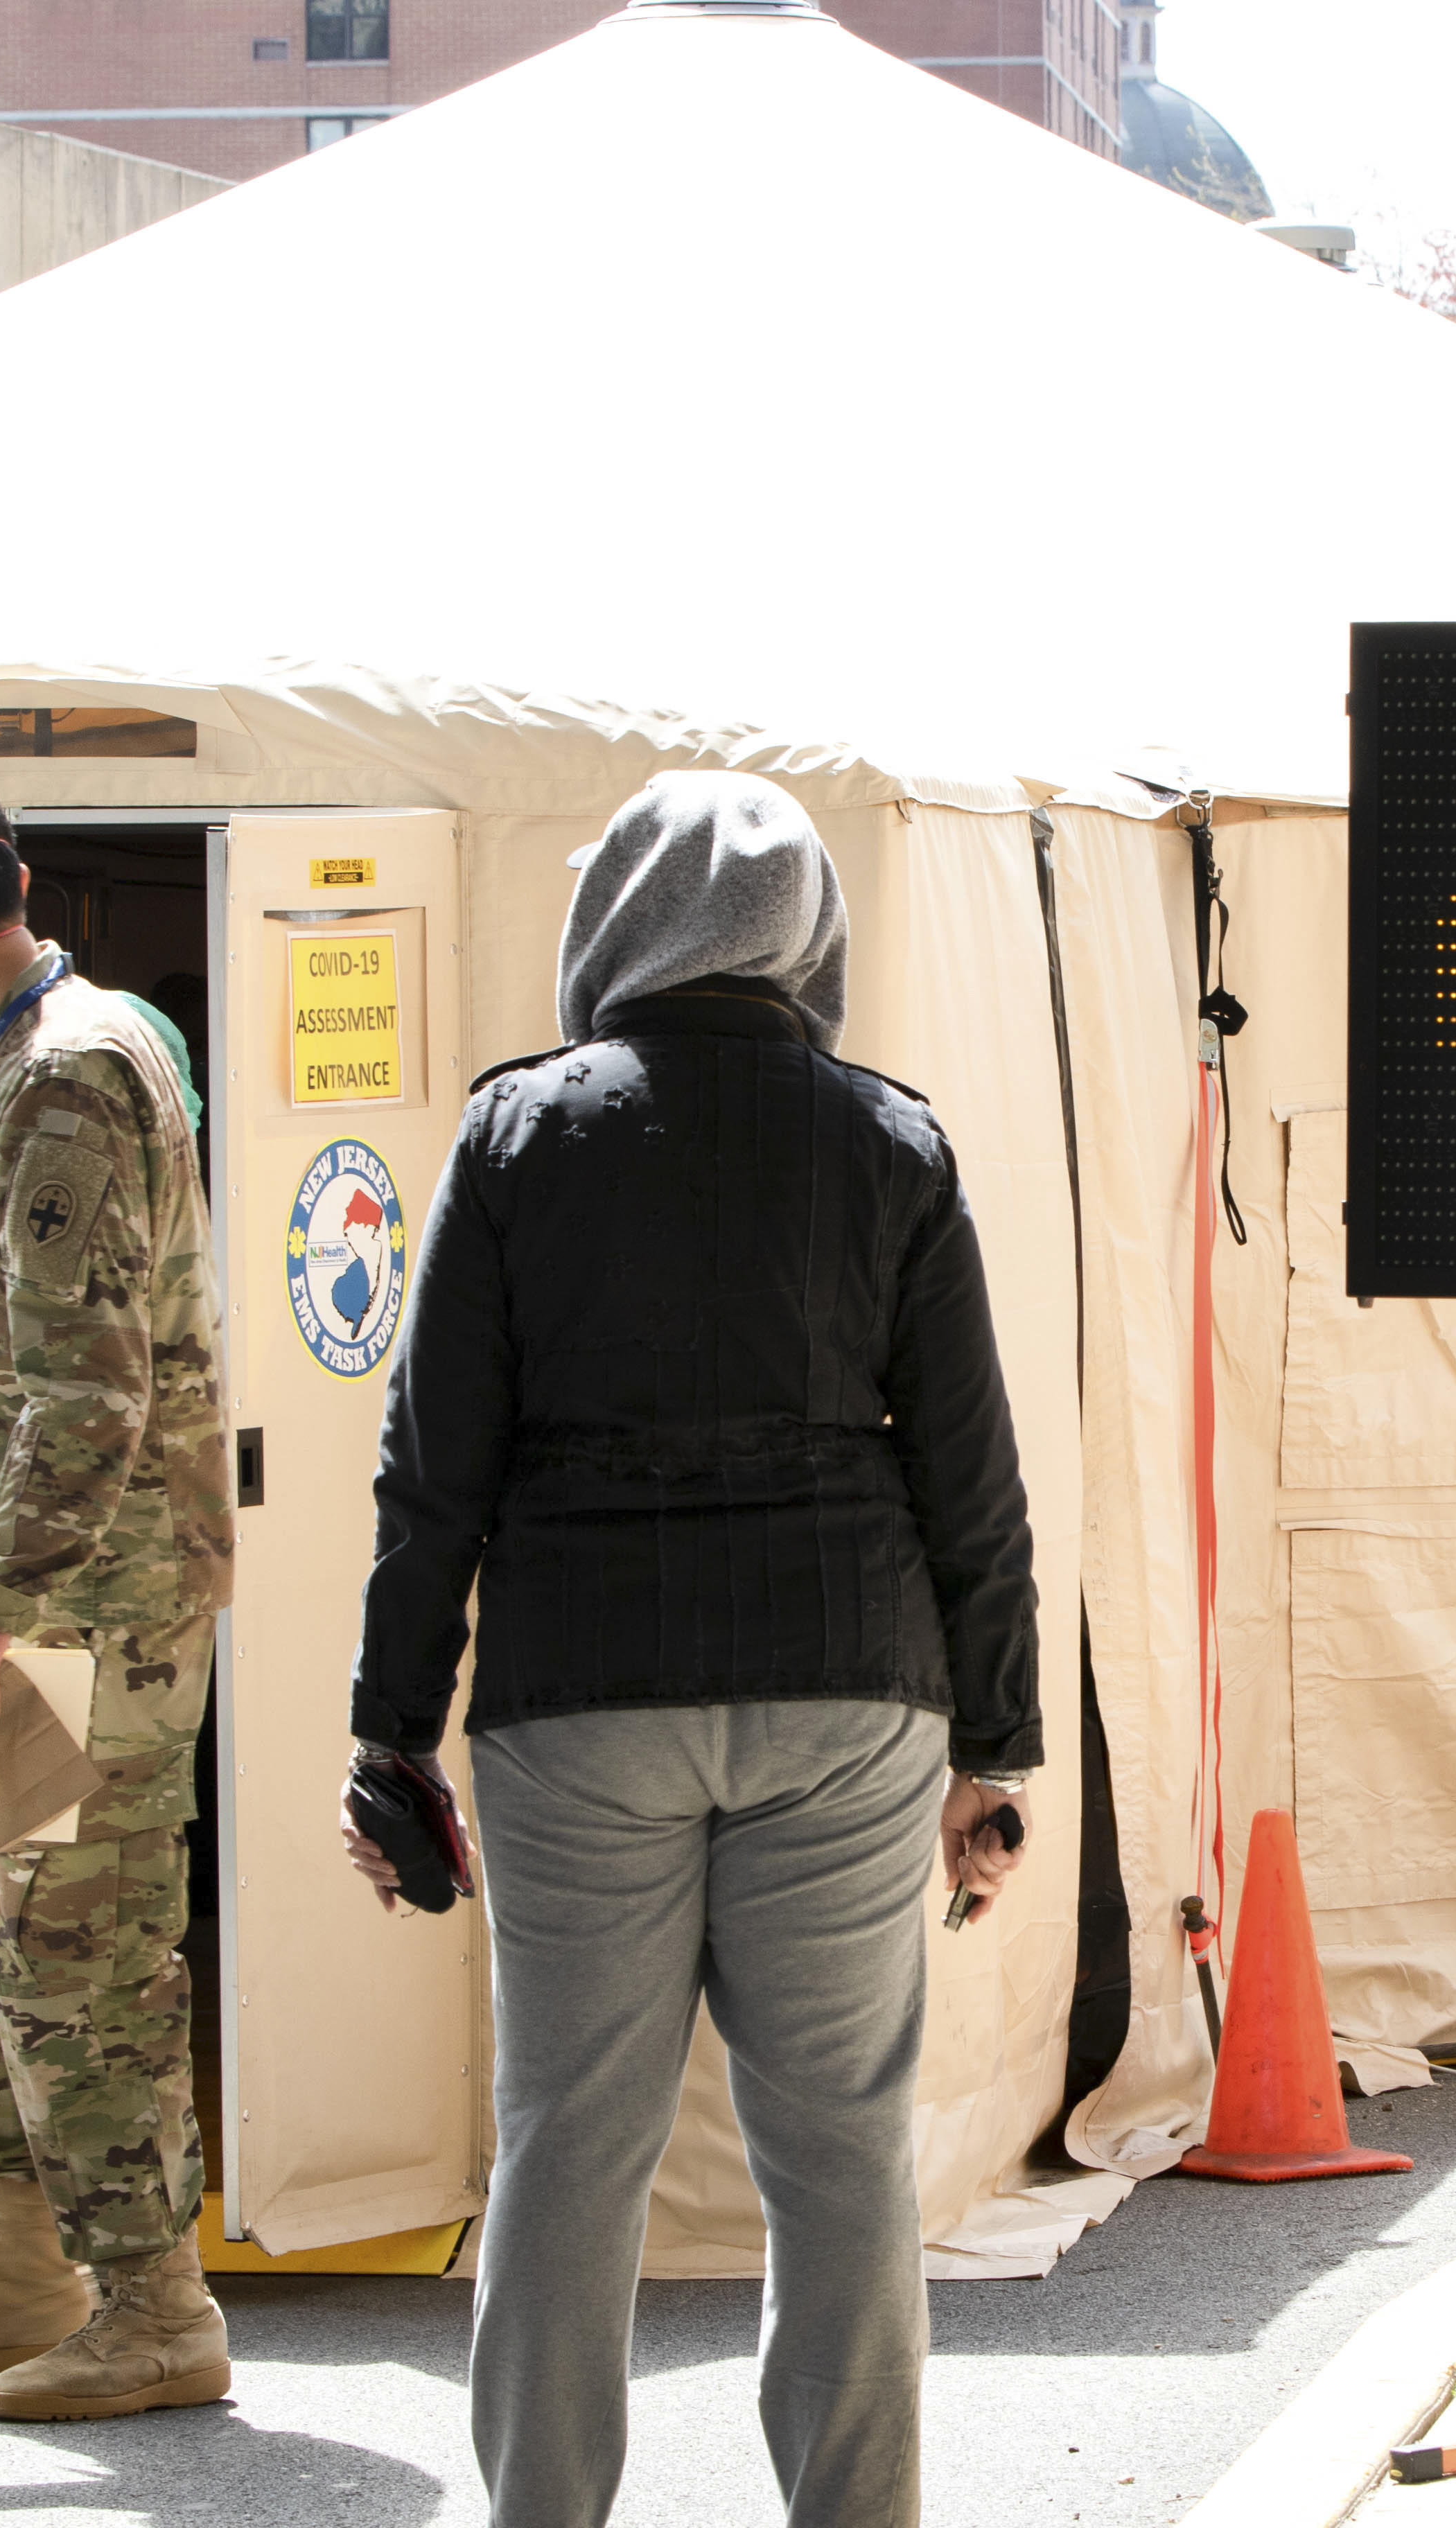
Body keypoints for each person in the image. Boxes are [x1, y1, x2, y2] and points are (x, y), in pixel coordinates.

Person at [345, 771, 1043, 2528]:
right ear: (804, 932)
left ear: (621, 920)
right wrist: (998, 1755)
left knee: (571, 2154)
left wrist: (389, 1737)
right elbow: (972, 1473)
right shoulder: (892, 1140)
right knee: (842, 2162)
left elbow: (436, 1464)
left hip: (581, 1695)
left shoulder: (517, 1138)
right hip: (849, 1681)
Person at [0, 780, 235, 2421]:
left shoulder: (70, 1067)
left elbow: (93, 1392)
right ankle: (26, 2260)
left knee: (80, 1959)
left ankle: (155, 2303)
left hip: (85, 1601)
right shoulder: (15, 1055)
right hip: (1, 1584)